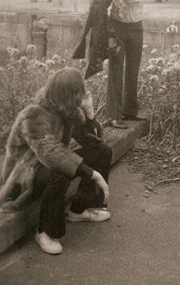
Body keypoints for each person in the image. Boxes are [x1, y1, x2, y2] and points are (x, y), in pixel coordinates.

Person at [0, 67, 112, 255]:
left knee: (101, 151)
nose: (83, 95)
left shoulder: (67, 110)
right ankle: (45, 231)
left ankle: (79, 209)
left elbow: (91, 141)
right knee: (60, 170)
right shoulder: (34, 115)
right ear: (69, 95)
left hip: (43, 167)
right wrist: (92, 174)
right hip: (23, 179)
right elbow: (51, 153)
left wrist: (90, 114)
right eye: (79, 92)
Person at [105, 0, 149, 128]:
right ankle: (114, 116)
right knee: (116, 69)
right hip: (116, 27)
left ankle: (129, 111)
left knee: (133, 69)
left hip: (135, 27)